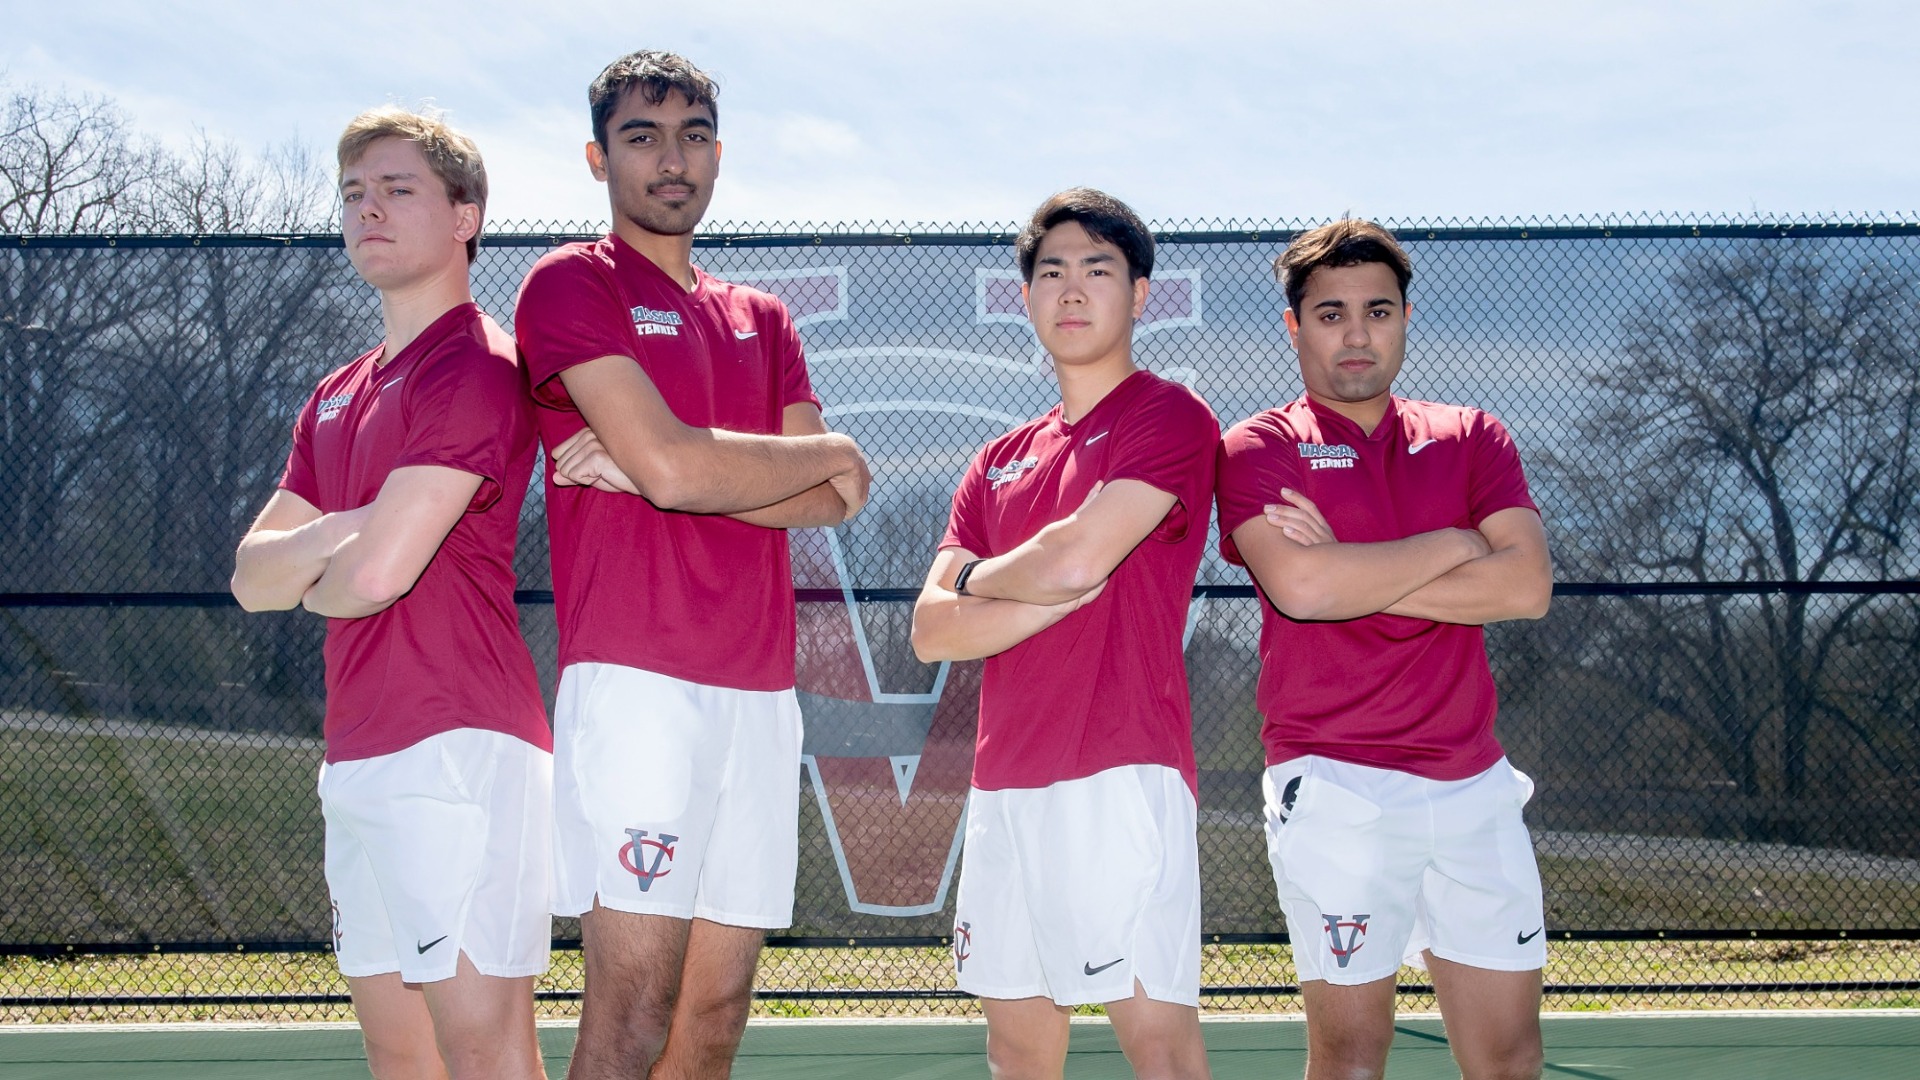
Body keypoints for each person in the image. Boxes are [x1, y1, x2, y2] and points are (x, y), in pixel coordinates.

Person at [510, 50, 871, 1080]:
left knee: (713, 1019)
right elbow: (682, 470)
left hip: (759, 691)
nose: (672, 160)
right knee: (633, 1012)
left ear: (718, 152)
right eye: (642, 137)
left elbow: (834, 494)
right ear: (598, 157)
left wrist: (669, 466)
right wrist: (695, 466)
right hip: (638, 682)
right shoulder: (572, 283)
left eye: (693, 136)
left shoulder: (765, 317)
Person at [231, 107, 551, 1080]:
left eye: (398, 189)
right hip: (358, 751)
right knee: (398, 1051)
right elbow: (251, 578)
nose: (368, 209)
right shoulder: (336, 392)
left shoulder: (475, 364)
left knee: (484, 1049)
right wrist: (347, 527)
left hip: (458, 742)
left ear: (465, 216)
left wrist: (320, 563)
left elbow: (377, 579)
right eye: (354, 194)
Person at [1214, 219, 1554, 1080]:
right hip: (1335, 782)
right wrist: (1455, 544)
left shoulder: (1472, 435)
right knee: (1354, 1060)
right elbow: (1304, 589)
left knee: (1510, 1059)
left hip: (1473, 782)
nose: (1357, 334)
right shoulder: (1260, 447)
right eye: (1331, 314)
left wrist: (1352, 569)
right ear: (1294, 326)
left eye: (1378, 310)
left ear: (1405, 317)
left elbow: (1525, 587)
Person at [911, 188, 1219, 1080]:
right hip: (1005, 781)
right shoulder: (996, 459)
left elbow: (1077, 558)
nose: (1072, 290)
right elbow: (931, 630)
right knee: (1016, 1050)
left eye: (1097, 269)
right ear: (1027, 297)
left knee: (1159, 1050)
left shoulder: (1169, 416)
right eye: (1052, 272)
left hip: (1120, 771)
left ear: (1140, 294)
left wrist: (980, 579)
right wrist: (1028, 592)